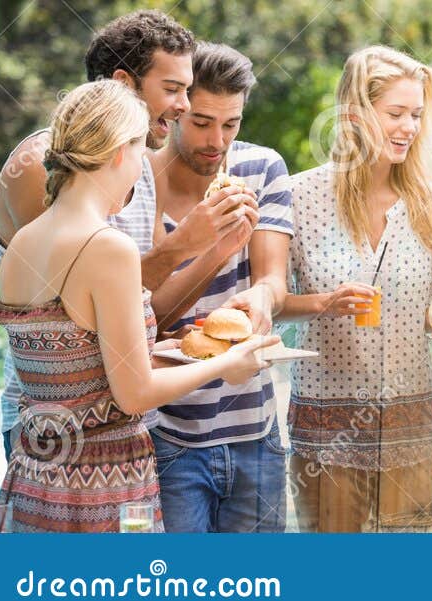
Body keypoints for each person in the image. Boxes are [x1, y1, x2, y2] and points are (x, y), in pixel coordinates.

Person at [0, 80, 277, 532]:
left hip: (33, 484)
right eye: (140, 149)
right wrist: (228, 362)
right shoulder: (108, 248)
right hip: (102, 490)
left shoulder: (22, 244)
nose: (143, 166)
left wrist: (178, 351)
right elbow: (134, 394)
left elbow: (78, 370)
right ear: (117, 153)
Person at [0, 10, 256, 459]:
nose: (184, 106)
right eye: (172, 89)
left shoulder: (145, 169)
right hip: (61, 432)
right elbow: (74, 318)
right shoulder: (42, 166)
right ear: (123, 83)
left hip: (122, 426)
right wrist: (182, 245)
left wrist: (215, 251)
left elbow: (140, 314)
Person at [277, 46, 432, 532]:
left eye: (416, 114)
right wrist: (323, 303)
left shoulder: (430, 200)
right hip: (326, 426)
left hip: (413, 419)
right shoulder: (299, 195)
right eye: (395, 113)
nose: (409, 127)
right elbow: (272, 304)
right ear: (354, 114)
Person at [140, 42, 293, 533]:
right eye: (202, 122)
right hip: (170, 436)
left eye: (231, 124)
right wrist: (213, 248)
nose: (217, 141)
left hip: (255, 430)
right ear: (177, 108)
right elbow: (149, 316)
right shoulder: (139, 181)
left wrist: (262, 299)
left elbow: (273, 280)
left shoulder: (262, 169)